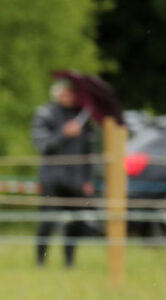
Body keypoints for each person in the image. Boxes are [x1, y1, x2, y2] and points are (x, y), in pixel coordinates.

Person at [31, 79, 96, 267]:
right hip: (52, 178)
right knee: (47, 221)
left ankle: (69, 261)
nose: (69, 97)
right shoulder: (45, 114)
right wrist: (64, 133)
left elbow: (89, 152)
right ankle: (40, 262)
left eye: (72, 93)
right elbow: (43, 145)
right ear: (57, 94)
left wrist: (87, 179)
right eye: (66, 93)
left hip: (76, 179)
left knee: (75, 222)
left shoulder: (84, 118)